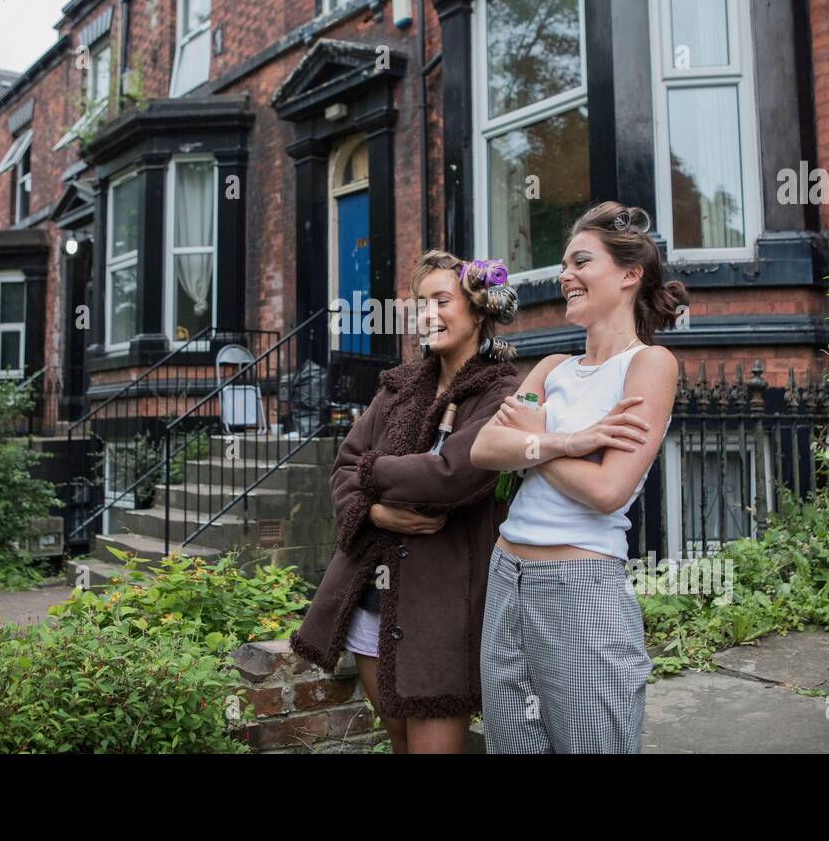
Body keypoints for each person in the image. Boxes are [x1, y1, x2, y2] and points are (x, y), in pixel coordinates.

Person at [470, 200, 689, 753]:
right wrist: (568, 441)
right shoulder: (551, 368)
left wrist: (533, 442)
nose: (565, 275)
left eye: (581, 262)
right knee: (511, 745)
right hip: (507, 578)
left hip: (580, 590)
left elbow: (606, 491)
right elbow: (484, 447)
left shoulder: (649, 365)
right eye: (563, 265)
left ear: (629, 274)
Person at [289, 250, 522, 753]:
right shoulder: (398, 387)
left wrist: (374, 471)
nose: (428, 314)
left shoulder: (502, 391)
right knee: (399, 741)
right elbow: (343, 466)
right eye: (420, 304)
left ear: (478, 310)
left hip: (442, 607)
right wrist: (372, 510)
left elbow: (454, 475)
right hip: (372, 601)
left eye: (443, 300)